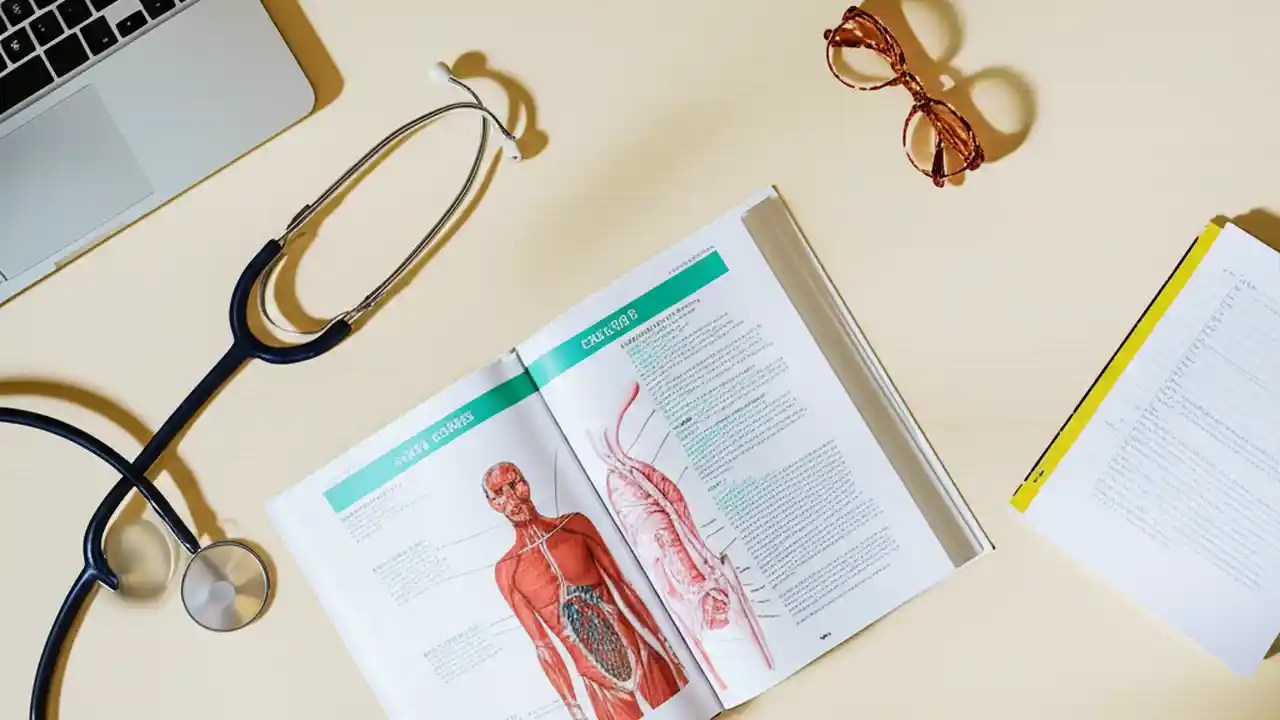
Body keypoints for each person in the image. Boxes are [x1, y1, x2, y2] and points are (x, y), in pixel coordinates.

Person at [485, 461, 687, 720]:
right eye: (499, 494)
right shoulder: (507, 571)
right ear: (493, 504)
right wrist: (575, 711)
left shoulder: (575, 525)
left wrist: (672, 656)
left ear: (527, 482)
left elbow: (625, 589)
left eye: (514, 484)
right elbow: (543, 646)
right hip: (599, 685)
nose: (512, 498)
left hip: (643, 656)